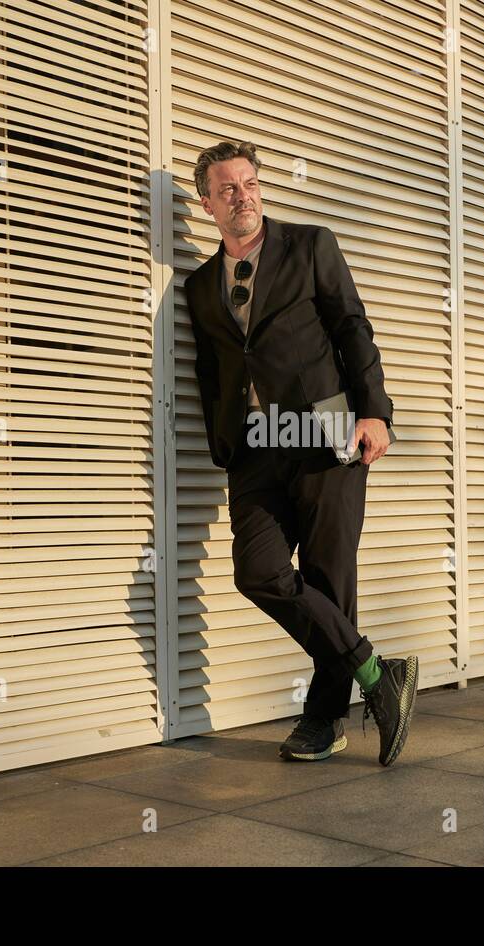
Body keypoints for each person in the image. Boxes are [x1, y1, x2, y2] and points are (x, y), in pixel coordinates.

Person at [180, 140, 418, 766]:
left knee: (327, 579)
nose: (243, 196)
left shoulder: (312, 246)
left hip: (326, 434)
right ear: (207, 203)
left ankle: (323, 720)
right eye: (227, 188)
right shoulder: (202, 286)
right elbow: (212, 369)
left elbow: (351, 327)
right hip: (257, 447)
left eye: (250, 183)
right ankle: (374, 671)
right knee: (258, 571)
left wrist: (375, 411)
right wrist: (222, 440)